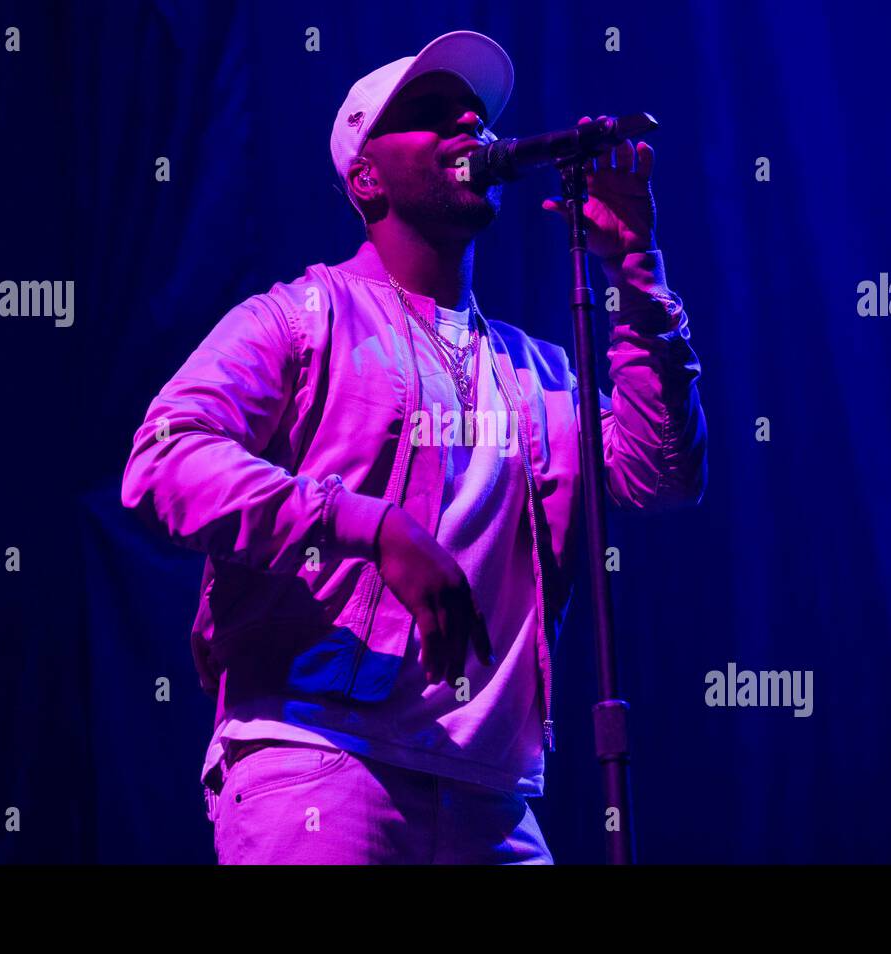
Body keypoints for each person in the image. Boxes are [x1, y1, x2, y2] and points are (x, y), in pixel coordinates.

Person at [121, 30, 707, 864]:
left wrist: (638, 277)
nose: (469, 119)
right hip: (317, 760)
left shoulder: (536, 372)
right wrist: (370, 526)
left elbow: (663, 474)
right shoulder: (299, 319)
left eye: (474, 111)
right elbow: (165, 459)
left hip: (492, 796)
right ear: (365, 176)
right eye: (432, 113)